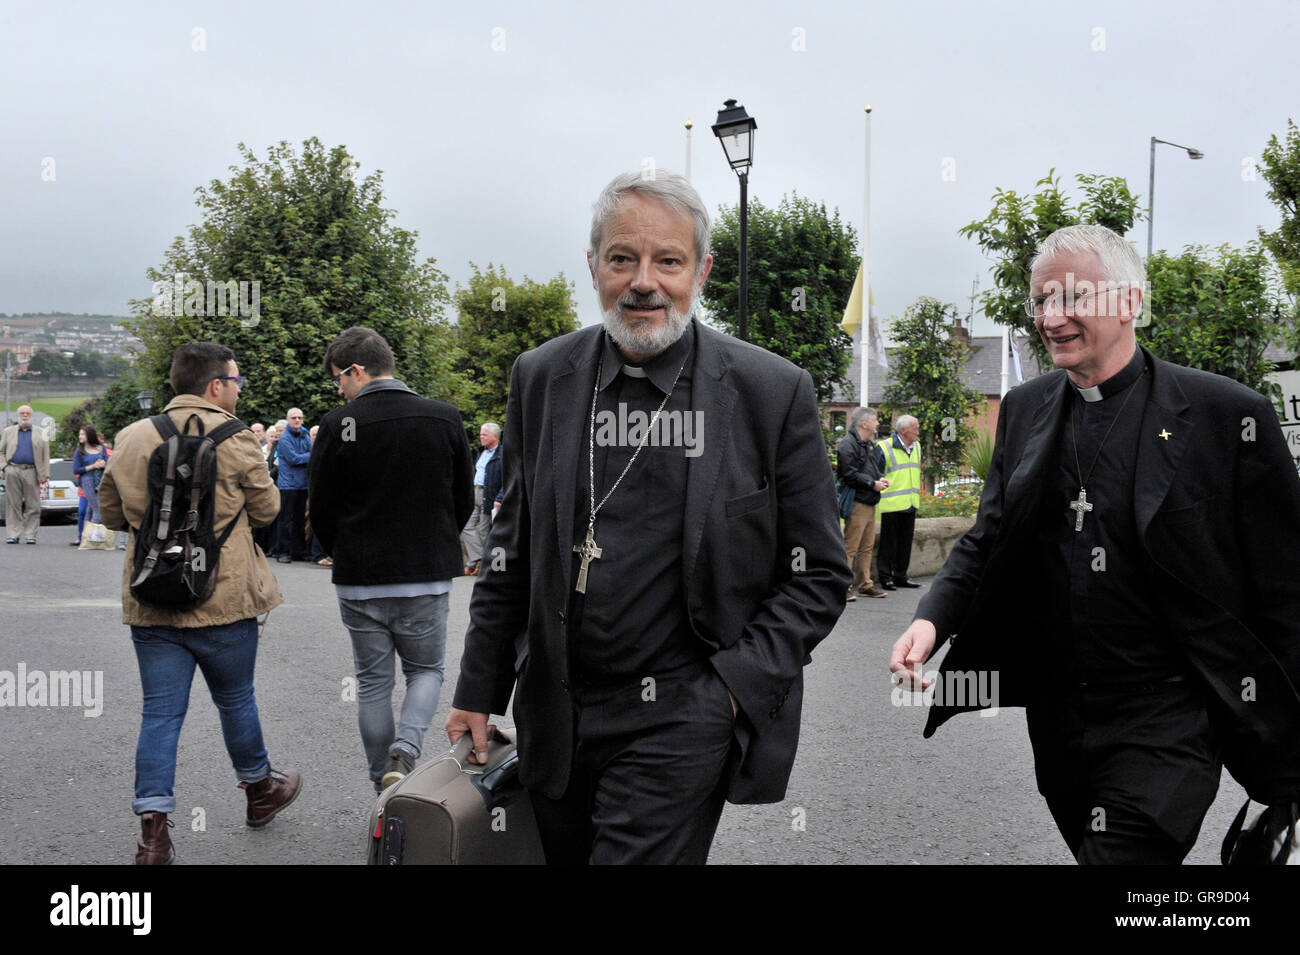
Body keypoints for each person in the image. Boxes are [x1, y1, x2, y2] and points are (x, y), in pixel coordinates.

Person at [445, 170, 850, 865]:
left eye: (669, 261)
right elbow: (513, 549)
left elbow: (818, 574)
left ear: (702, 271)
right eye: (622, 258)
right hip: (559, 713)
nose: (644, 282)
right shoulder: (540, 377)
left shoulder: (769, 392)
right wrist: (479, 687)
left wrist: (730, 691)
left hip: (682, 719)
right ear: (594, 265)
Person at [889, 224, 1300, 864]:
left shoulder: (1227, 414)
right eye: (1041, 301)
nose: (1052, 317)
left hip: (1169, 716)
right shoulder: (1025, 408)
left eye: (1073, 297)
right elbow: (988, 537)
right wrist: (931, 620)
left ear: (1130, 301)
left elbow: (1286, 587)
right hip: (1059, 718)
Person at [100, 343, 301, 865]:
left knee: (160, 714)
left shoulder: (131, 437)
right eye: (236, 381)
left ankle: (153, 835)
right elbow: (268, 508)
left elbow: (111, 514)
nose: (238, 389)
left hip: (152, 599)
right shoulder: (236, 440)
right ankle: (259, 793)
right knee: (236, 700)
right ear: (216, 385)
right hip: (225, 598)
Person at [309, 327, 473, 792]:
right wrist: (438, 544)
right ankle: (406, 750)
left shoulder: (339, 423)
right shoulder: (445, 419)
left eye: (339, 378)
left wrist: (341, 550)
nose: (339, 389)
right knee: (426, 671)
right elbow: (462, 500)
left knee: (372, 683)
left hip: (361, 577)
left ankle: (381, 780)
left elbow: (320, 506)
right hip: (425, 575)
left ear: (357, 370)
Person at [837, 407, 889, 600]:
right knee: (850, 547)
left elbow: (872, 469)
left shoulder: (869, 444)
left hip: (869, 501)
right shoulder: (848, 444)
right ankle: (843, 586)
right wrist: (872, 483)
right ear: (864, 423)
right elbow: (848, 474)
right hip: (857, 502)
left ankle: (865, 584)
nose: (878, 424)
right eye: (875, 420)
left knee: (867, 546)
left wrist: (880, 480)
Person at [875, 414, 922, 589]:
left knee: (905, 543)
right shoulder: (884, 447)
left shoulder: (917, 447)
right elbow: (876, 472)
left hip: (910, 503)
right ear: (903, 430)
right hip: (892, 504)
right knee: (888, 544)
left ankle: (901, 575)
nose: (918, 432)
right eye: (915, 429)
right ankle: (885, 577)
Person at [1, 405, 50, 544]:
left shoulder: (41, 432)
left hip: (32, 471)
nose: (25, 415)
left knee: (33, 505)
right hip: (13, 470)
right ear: (17, 415)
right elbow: (1, 452)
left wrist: (45, 475)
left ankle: (30, 535)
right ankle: (13, 534)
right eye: (22, 413)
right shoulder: (8, 432)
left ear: (32, 416)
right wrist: (4, 467)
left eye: (27, 413)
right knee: (13, 504)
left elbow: (46, 456)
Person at [460, 423, 501, 576]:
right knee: (466, 525)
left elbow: (506, 478)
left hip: (488, 495)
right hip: (475, 492)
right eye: (481, 434)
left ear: (495, 437)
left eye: (484, 434)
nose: (481, 437)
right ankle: (480, 558)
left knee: (484, 531)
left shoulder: (501, 455)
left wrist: (500, 497)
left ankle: (486, 565)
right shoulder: (481, 452)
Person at [274, 408, 312, 563]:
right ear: (288, 419)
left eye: (300, 418)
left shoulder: (305, 434)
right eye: (294, 418)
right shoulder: (284, 439)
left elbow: (308, 453)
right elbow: (293, 459)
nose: (297, 420)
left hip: (302, 484)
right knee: (286, 520)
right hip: (288, 484)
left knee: (299, 520)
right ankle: (282, 552)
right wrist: (311, 455)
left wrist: (309, 454)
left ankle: (298, 551)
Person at [72, 425, 109, 542]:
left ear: (89, 435)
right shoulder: (80, 451)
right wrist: (94, 466)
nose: (80, 436)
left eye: (82, 434)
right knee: (97, 509)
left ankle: (84, 537)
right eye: (79, 434)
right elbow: (76, 469)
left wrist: (104, 464)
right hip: (87, 481)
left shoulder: (101, 448)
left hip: (100, 481)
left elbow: (108, 464)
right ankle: (93, 537)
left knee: (89, 509)